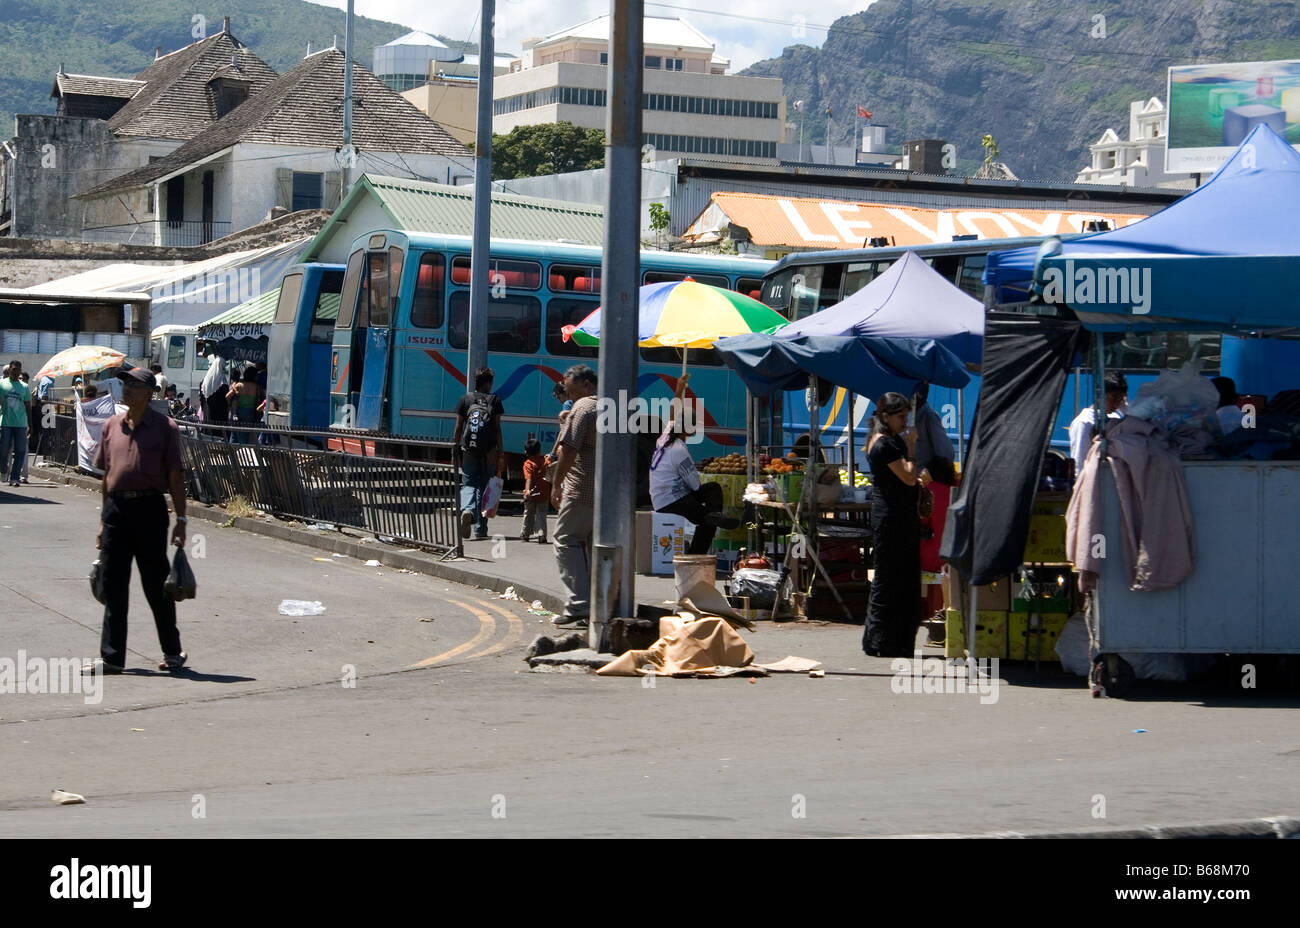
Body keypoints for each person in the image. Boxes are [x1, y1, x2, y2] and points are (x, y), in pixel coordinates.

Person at [83, 367, 188, 675]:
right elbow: (107, 479)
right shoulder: (111, 426)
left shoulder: (165, 427)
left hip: (150, 510)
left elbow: (175, 477)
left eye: (134, 385)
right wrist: (103, 521)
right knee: (113, 585)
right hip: (116, 511)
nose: (127, 389)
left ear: (149, 393)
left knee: (157, 585)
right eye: (125, 383)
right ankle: (112, 658)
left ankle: (172, 652)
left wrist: (181, 519)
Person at [863, 392, 932, 658]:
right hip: (893, 518)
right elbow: (907, 476)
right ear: (885, 417)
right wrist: (912, 446)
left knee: (895, 578)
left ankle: (886, 640)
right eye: (900, 416)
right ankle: (884, 640)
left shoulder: (883, 441)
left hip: (895, 516)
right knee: (892, 579)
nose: (905, 421)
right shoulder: (885, 445)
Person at [650, 373, 738, 554]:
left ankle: (714, 515)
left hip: (660, 495)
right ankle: (696, 553)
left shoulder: (667, 435)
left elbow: (673, 412)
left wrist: (679, 390)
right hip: (671, 501)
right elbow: (696, 486)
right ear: (690, 430)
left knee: (712, 488)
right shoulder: (680, 451)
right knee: (707, 519)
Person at [549, 364, 599, 627]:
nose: (570, 398)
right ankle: (595, 604)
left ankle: (579, 606)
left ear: (587, 385)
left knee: (565, 540)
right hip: (605, 492)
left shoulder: (583, 407)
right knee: (591, 547)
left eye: (572, 391)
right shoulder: (612, 406)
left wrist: (556, 485)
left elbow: (568, 450)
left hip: (580, 488)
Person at [452, 367, 505, 540]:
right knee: (485, 487)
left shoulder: (465, 399)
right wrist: (501, 454)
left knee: (468, 483)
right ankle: (480, 529)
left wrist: (454, 447)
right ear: (488, 383)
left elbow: (459, 427)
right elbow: (497, 429)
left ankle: (467, 509)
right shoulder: (494, 400)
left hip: (469, 449)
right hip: (488, 451)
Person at [1068, 371, 1128, 475]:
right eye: (1113, 397)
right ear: (1100, 394)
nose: (1116, 403)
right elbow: (1080, 460)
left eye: (1120, 398)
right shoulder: (1084, 422)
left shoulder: (1116, 417)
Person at [0, 361, 32, 487]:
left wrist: (31, 425)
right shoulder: (2, 384)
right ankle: (3, 469)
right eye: (13, 369)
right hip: (5, 423)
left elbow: (28, 406)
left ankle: (14, 478)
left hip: (21, 424)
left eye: (18, 369)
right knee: (3, 450)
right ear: (10, 370)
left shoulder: (24, 387)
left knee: (20, 451)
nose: (16, 372)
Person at [520, 437, 551, 543]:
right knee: (542, 514)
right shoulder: (544, 461)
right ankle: (542, 536)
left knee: (528, 513)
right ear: (539, 450)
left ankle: (525, 534)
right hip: (544, 492)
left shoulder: (528, 464)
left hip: (531, 494)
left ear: (526, 452)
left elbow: (528, 478)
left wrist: (527, 490)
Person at [227, 366, 261, 440]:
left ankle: (233, 450)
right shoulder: (256, 387)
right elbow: (258, 400)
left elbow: (227, 396)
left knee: (234, 435)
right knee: (244, 435)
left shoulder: (239, 385)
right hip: (250, 412)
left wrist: (232, 402)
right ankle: (242, 450)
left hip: (238, 411)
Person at [199, 347, 229, 425]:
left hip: (207, 414)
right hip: (219, 417)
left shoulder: (205, 381)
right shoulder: (222, 383)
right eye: (222, 366)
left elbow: (202, 399)